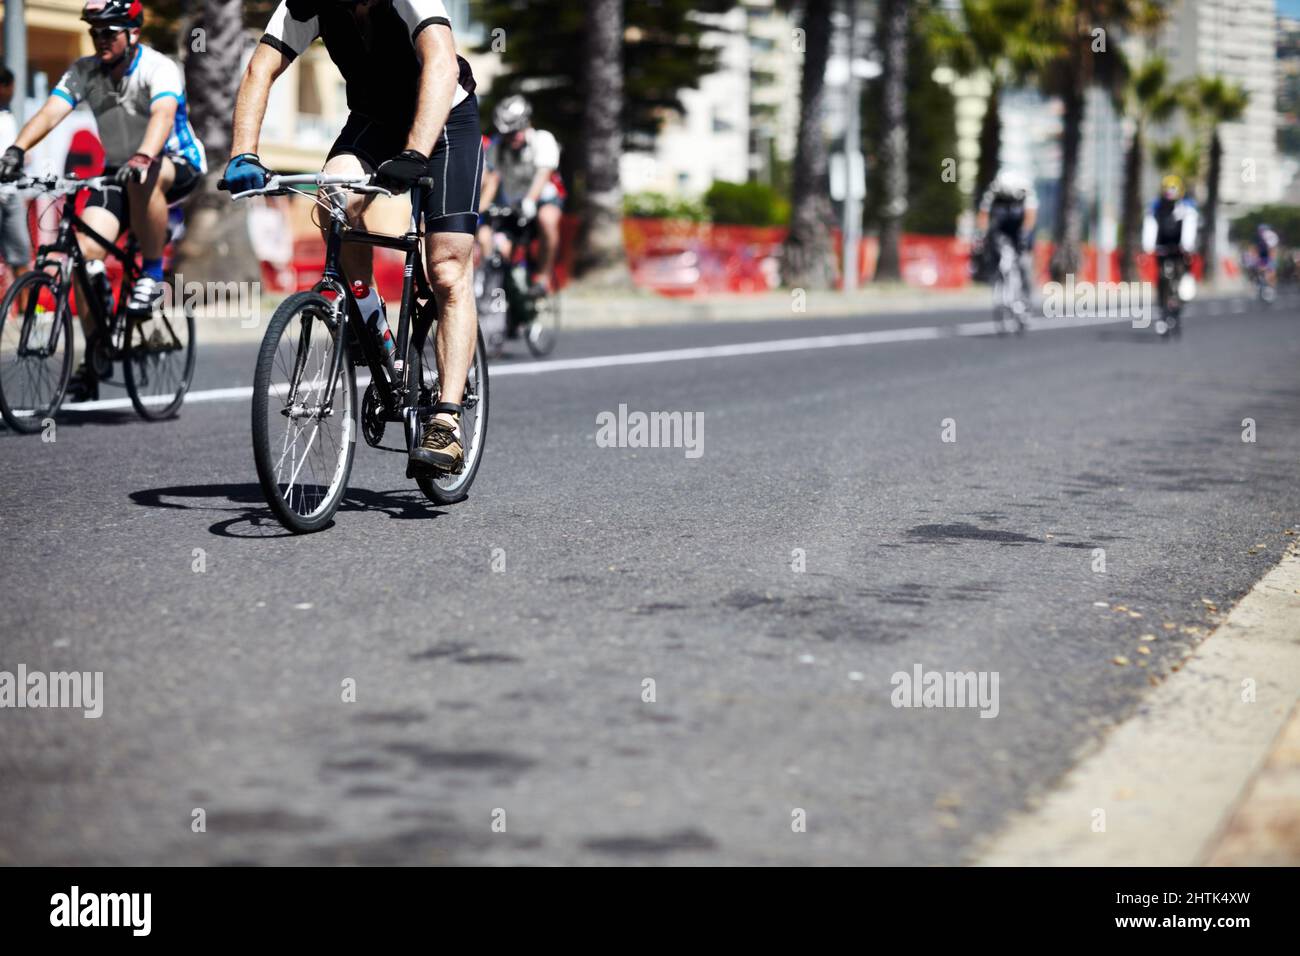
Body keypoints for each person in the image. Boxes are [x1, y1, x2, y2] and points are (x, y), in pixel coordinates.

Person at [227, 0, 481, 476]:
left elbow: (442, 61)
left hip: (444, 116)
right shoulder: (308, 4)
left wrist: (416, 151)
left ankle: (446, 421)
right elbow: (261, 68)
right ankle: (369, 318)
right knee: (333, 196)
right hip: (376, 119)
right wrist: (244, 152)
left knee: (446, 269)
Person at [0, 1, 205, 321]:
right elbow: (52, 112)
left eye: (109, 32)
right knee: (83, 255)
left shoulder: (158, 67)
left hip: (173, 162)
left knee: (143, 173)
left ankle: (151, 275)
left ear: (133, 33)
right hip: (118, 171)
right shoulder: (85, 71)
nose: (101, 39)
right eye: (95, 32)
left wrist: (143, 155)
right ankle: (96, 360)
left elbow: (162, 115)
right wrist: (16, 149)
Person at [478, 95, 564, 295]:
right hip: (512, 204)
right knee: (502, 248)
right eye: (506, 133)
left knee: (547, 219)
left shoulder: (543, 139)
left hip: (543, 199)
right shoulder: (498, 146)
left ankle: (542, 278)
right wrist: (480, 208)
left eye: (515, 132)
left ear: (526, 124)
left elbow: (544, 174)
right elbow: (490, 179)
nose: (511, 137)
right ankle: (504, 293)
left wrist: (530, 201)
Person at [974, 169, 1037, 299]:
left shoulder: (1025, 190)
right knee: (994, 249)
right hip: (1003, 225)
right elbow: (983, 214)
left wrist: (1024, 234)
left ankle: (1026, 291)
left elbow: (1030, 216)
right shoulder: (993, 190)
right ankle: (998, 278)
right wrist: (981, 234)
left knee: (1024, 260)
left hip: (1020, 225)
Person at [1141, 174, 1198, 306]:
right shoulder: (1155, 206)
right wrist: (1148, 246)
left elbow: (1190, 227)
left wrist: (1187, 246)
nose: (1170, 194)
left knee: (1185, 267)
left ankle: (1184, 285)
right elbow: (1150, 226)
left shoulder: (1187, 208)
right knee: (1162, 272)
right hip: (1162, 246)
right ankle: (1162, 296)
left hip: (1180, 247)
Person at [0, 65, 31, 284]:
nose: (13, 91)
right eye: (12, 86)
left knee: (20, 254)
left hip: (11, 193)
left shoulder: (8, 115)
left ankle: (26, 310)